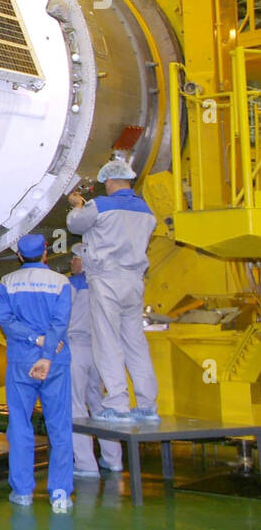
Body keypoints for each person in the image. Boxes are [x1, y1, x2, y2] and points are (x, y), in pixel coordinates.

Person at [66, 158, 159, 422]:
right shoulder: (145, 210)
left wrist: (77, 205)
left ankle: (117, 404)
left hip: (106, 280)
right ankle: (147, 405)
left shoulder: (101, 206)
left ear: (110, 181)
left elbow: (75, 225)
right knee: (135, 343)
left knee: (107, 341)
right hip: (134, 281)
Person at [0, 233, 74, 512]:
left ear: (19, 255)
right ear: (45, 253)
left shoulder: (7, 283)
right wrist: (47, 351)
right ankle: (61, 493)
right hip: (55, 362)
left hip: (20, 362)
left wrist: (33, 340)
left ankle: (22, 492)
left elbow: (6, 321)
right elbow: (60, 322)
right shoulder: (61, 283)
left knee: (19, 424)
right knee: (60, 427)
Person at [66, 244, 123, 476]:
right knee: (99, 405)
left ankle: (85, 464)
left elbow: (60, 316)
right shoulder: (110, 285)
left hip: (76, 348)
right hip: (101, 351)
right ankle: (113, 459)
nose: (71, 262)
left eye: (75, 258)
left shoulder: (72, 284)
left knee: (76, 405)